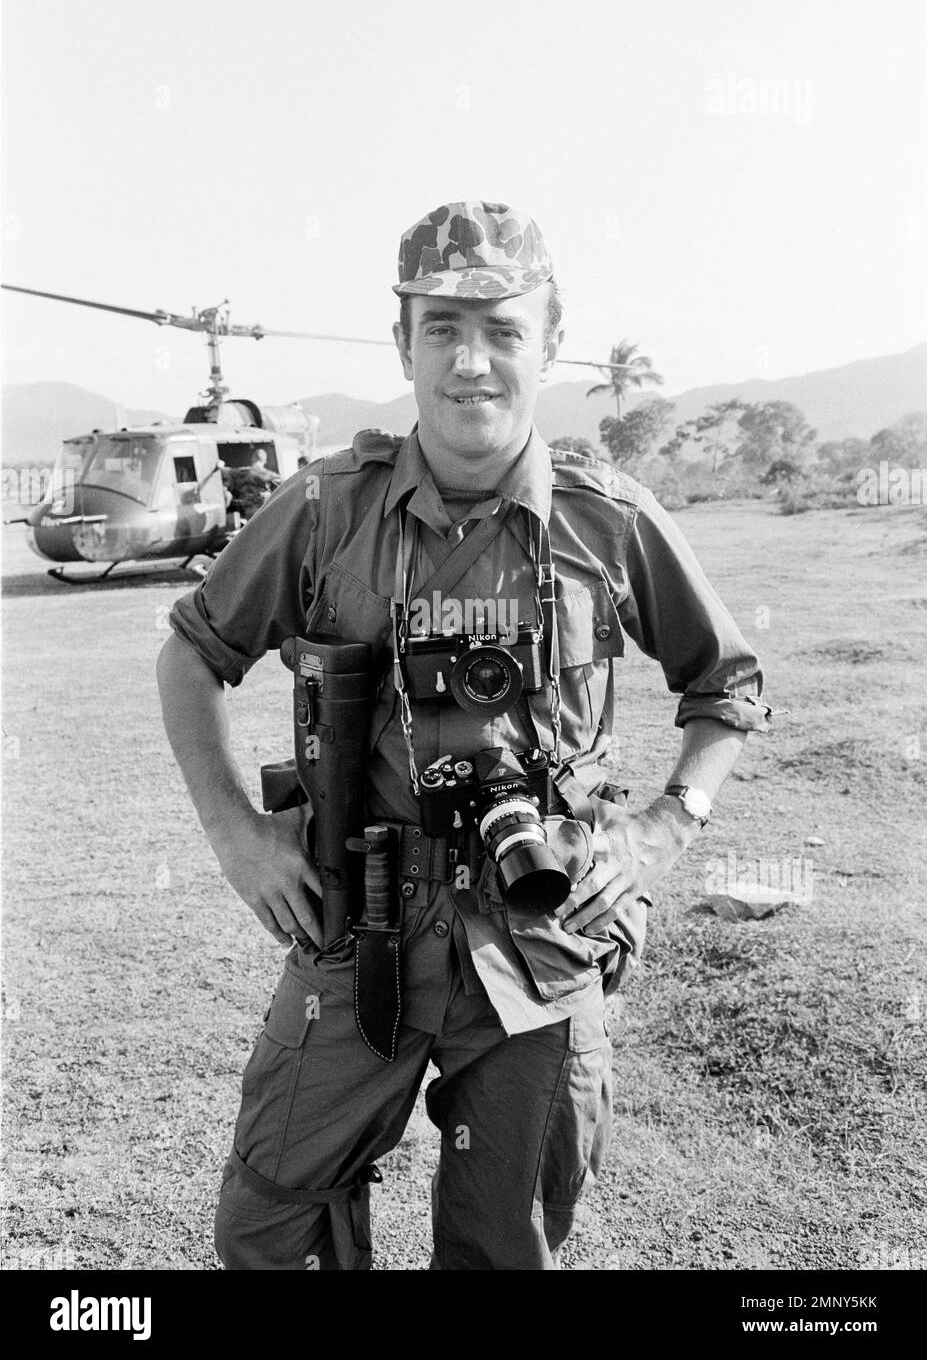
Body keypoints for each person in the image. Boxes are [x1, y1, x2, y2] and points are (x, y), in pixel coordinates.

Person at [156, 199, 771, 1271]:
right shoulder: (323, 511)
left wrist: (667, 829)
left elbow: (727, 687)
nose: (472, 362)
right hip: (361, 919)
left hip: (541, 931)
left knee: (504, 1247)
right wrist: (236, 833)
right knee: (266, 1227)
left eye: (502, 330)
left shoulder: (607, 520)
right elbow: (191, 653)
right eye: (442, 327)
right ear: (403, 341)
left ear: (552, 342)